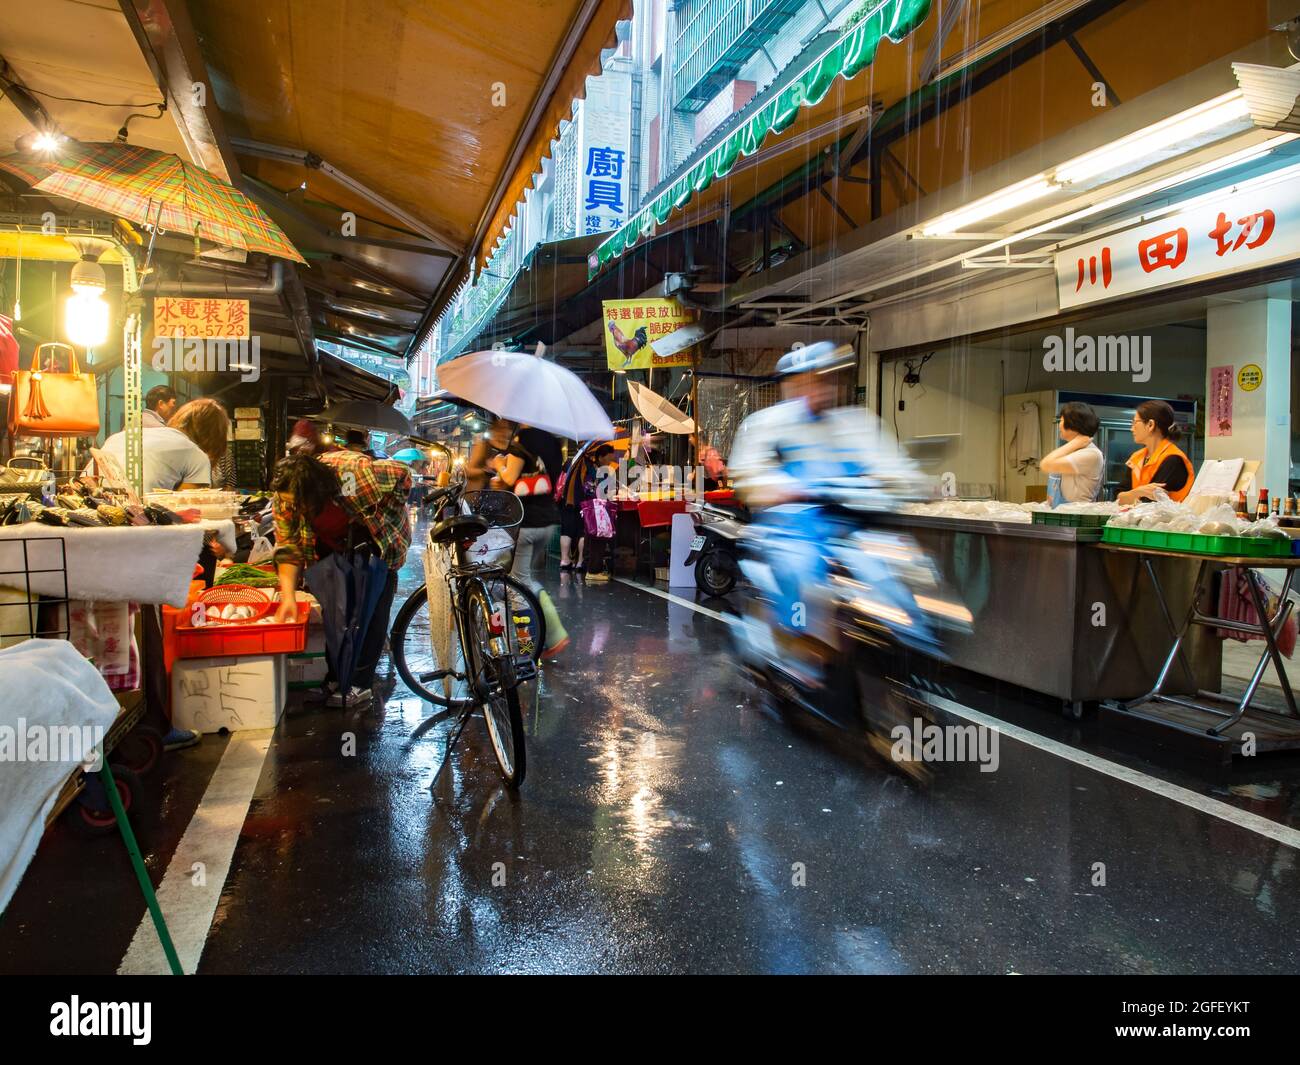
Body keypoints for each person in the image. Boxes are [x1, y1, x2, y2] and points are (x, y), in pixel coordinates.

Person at [271, 450, 412, 708]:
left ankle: (361, 683)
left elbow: (402, 473)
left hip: (375, 543)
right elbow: (288, 547)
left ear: (317, 493)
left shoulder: (351, 476)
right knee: (335, 613)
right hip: (332, 549)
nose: (295, 508)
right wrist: (288, 596)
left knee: (371, 614)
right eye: (291, 503)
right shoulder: (284, 497)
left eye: (300, 504)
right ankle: (337, 677)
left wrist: (387, 510)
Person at [490, 419, 570, 658]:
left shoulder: (522, 441)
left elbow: (508, 477)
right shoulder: (555, 443)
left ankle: (528, 649)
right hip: (548, 521)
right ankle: (551, 635)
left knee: (518, 586)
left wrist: (498, 463)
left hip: (526, 522)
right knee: (525, 581)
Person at [96, 396, 229, 493]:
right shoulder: (196, 455)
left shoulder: (118, 437)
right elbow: (188, 510)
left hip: (84, 515)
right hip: (136, 526)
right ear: (213, 436)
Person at [1116, 399, 1194, 505]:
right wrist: (1138, 492)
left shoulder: (1172, 459)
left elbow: (1150, 502)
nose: (1131, 428)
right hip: (1136, 520)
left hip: (1165, 521)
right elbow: (1118, 497)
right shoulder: (1136, 457)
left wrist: (1132, 495)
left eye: (1135, 422)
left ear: (1150, 425)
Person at [1040, 401, 1103, 505]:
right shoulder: (1074, 449)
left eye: (1061, 420)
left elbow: (1046, 465)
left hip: (1076, 516)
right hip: (1061, 514)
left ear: (1073, 424)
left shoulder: (1091, 454)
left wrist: (1074, 443)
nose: (1059, 425)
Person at [581, 445, 618, 584]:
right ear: (601, 457)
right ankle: (593, 571)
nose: (609, 463)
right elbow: (590, 488)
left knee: (593, 538)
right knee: (598, 538)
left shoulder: (599, 469)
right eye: (608, 460)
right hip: (598, 508)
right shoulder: (595, 470)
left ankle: (591, 569)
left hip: (596, 508)